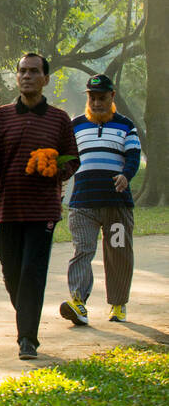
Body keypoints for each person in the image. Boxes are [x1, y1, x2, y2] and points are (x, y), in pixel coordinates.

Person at [0, 52, 79, 360]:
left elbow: (72, 158)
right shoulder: (2, 116)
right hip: (9, 209)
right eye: (22, 71)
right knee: (11, 270)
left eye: (33, 72)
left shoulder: (59, 119)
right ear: (17, 77)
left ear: (45, 79)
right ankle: (26, 314)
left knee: (32, 272)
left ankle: (27, 338)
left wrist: (57, 169)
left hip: (43, 210)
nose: (27, 76)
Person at [61, 73, 140, 326]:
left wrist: (126, 176)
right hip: (83, 204)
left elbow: (134, 157)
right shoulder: (75, 125)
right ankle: (78, 303)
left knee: (117, 251)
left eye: (102, 98)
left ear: (112, 97)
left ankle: (118, 304)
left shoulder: (126, 125)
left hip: (116, 206)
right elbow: (67, 158)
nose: (97, 103)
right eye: (92, 98)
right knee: (82, 250)